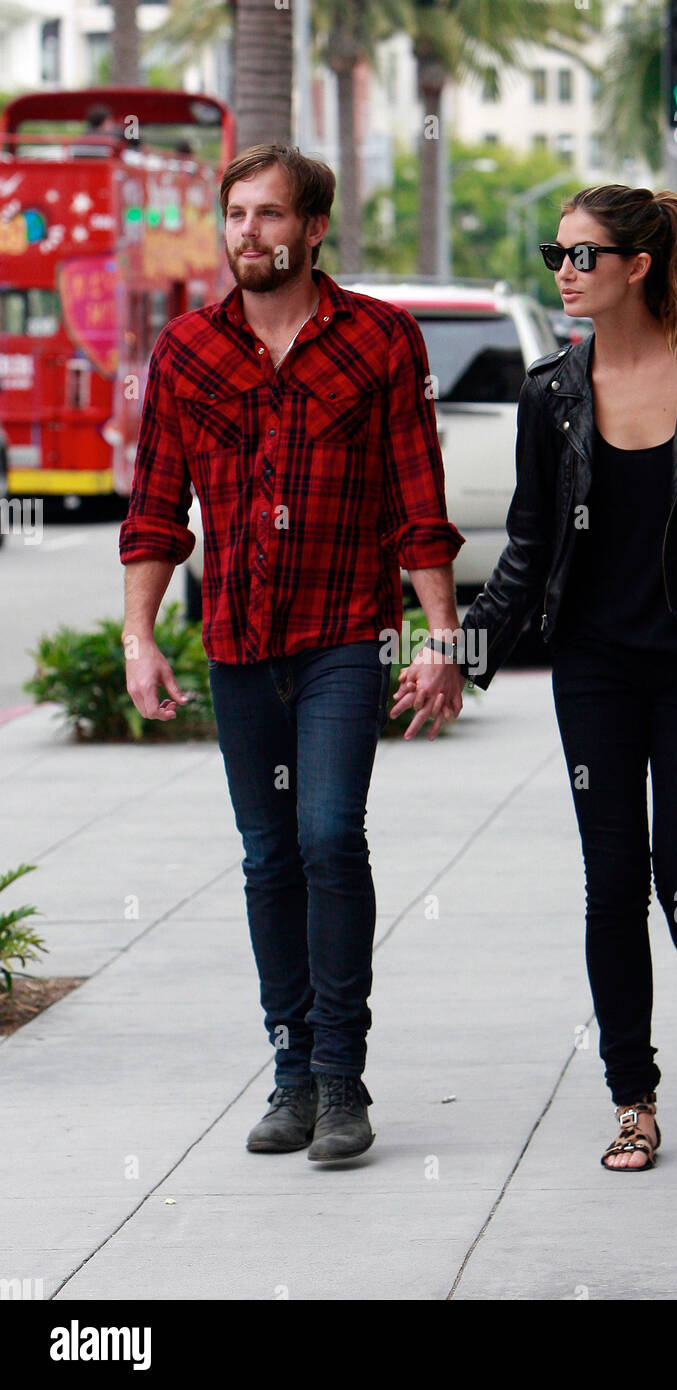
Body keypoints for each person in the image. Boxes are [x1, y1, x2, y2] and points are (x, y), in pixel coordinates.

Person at [393, 184, 677, 1171]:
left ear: (636, 266)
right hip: (593, 668)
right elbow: (527, 552)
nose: (564, 273)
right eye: (556, 255)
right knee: (610, 878)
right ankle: (632, 1095)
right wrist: (460, 655)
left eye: (581, 255)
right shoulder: (550, 392)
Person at [120, 143, 466, 1162]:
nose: (248, 235)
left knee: (326, 839)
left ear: (313, 228)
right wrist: (139, 637)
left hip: (341, 639)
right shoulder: (187, 350)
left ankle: (339, 1083)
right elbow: (153, 512)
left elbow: (418, 503)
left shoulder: (380, 341)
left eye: (270, 216)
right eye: (236, 215)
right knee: (268, 858)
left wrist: (443, 633)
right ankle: (288, 1073)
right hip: (237, 642)